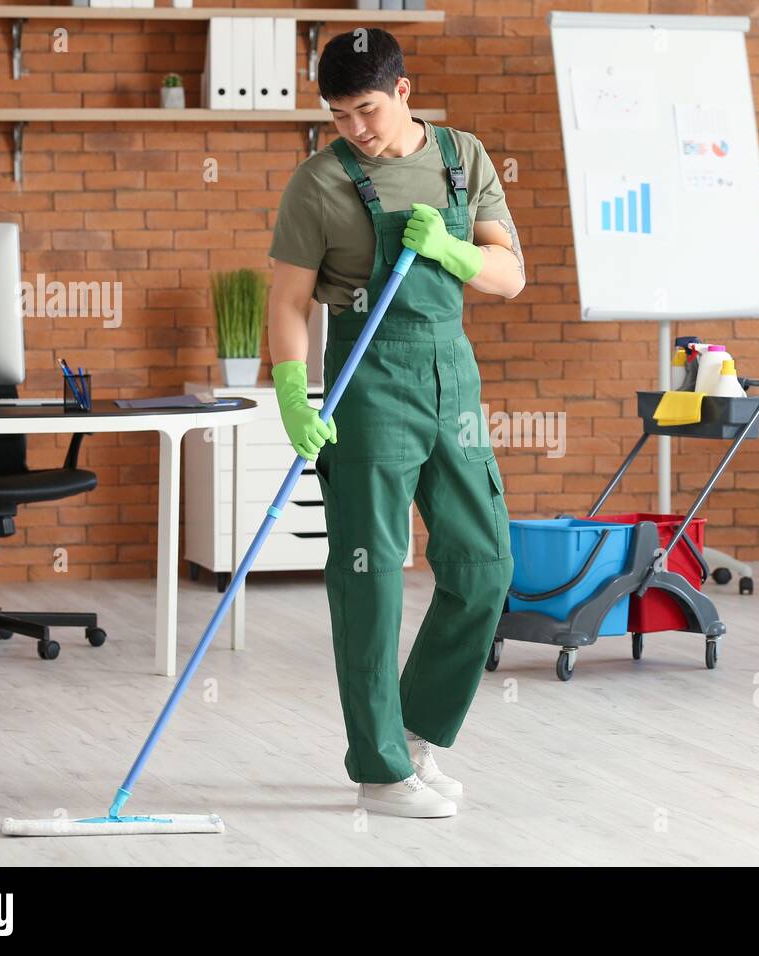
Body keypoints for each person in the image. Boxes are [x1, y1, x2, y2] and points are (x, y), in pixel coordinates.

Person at [266, 28, 525, 818]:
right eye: (339, 115)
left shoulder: (462, 156)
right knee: (370, 579)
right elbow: (285, 301)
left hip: (453, 379)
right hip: (366, 380)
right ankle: (379, 772)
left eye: (368, 110)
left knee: (485, 567)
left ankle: (415, 733)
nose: (356, 130)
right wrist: (291, 398)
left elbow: (510, 277)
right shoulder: (318, 182)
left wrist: (451, 250)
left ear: (404, 92)